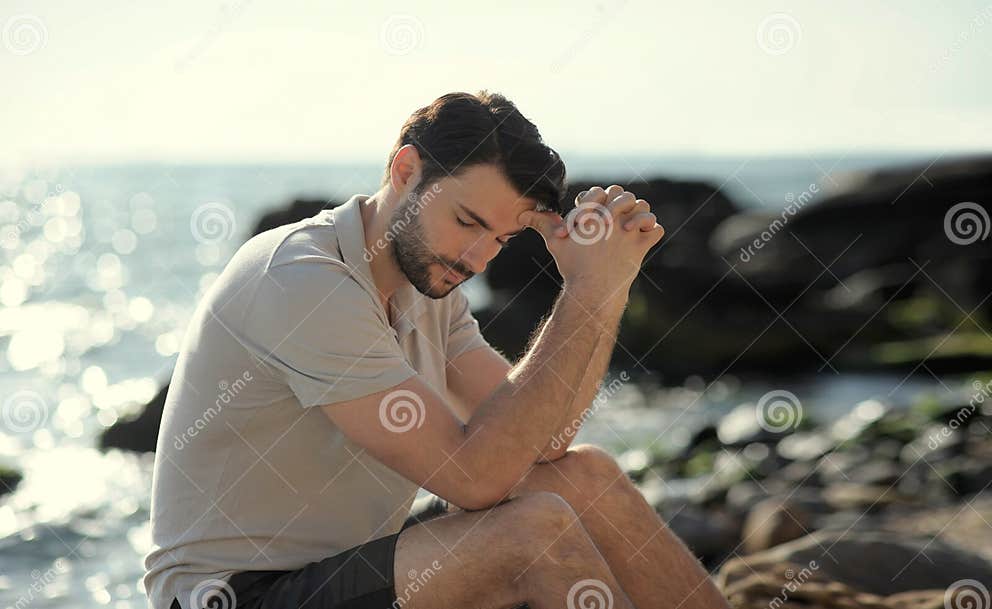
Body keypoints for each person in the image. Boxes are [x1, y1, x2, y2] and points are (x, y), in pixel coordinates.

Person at [143, 90, 730, 609]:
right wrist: (584, 290)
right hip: (236, 594)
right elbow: (474, 479)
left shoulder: (427, 289)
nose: (477, 258)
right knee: (534, 534)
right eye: (467, 220)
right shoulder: (304, 280)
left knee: (585, 478)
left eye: (499, 239)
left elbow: (548, 440)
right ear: (405, 169)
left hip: (347, 570)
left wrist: (607, 287)